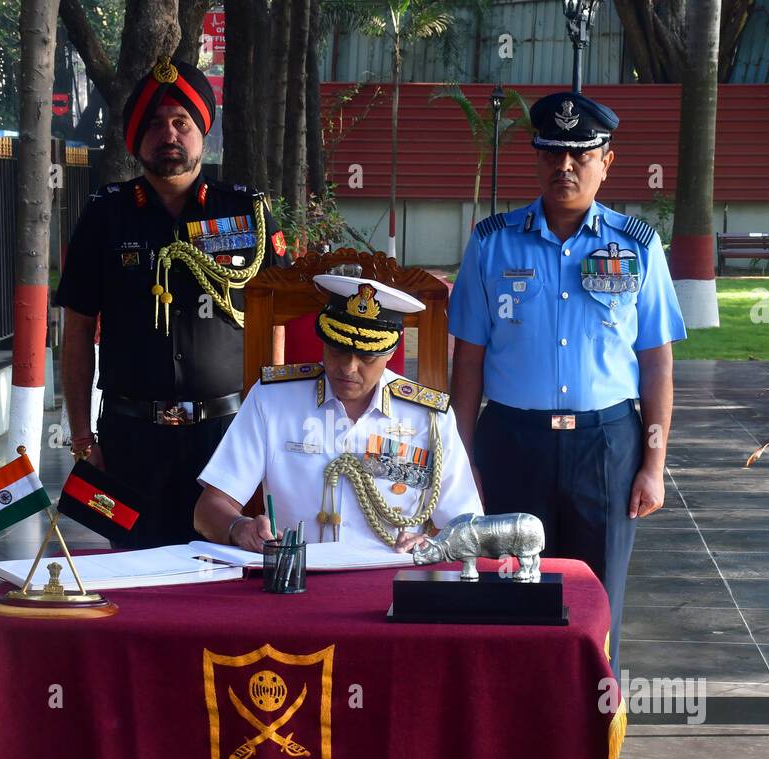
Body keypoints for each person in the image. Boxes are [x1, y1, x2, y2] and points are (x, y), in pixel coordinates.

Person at [447, 90, 687, 674]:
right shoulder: (491, 242)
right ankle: (512, 722)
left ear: (608, 160)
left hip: (605, 446)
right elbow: (468, 363)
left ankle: (593, 722)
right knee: (508, 594)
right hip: (512, 444)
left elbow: (656, 363)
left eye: (582, 154)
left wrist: (653, 465)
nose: (566, 167)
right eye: (553, 153)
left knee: (597, 600)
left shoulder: (637, 246)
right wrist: (463, 458)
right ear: (536, 158)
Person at [54, 55, 288, 548]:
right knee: (135, 578)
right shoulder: (106, 216)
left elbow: (276, 325)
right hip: (129, 440)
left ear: (203, 131)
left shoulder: (246, 212)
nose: (170, 135)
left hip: (227, 439)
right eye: (156, 123)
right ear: (137, 137)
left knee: (228, 577)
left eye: (182, 122)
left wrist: (272, 433)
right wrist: (82, 442)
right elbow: (76, 333)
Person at [195, 275, 482, 553]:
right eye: (336, 351)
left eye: (366, 357)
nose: (348, 368)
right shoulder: (273, 399)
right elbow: (208, 509)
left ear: (390, 352)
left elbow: (468, 524)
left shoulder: (428, 416)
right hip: (296, 573)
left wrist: (435, 545)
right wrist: (239, 527)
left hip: (390, 578)